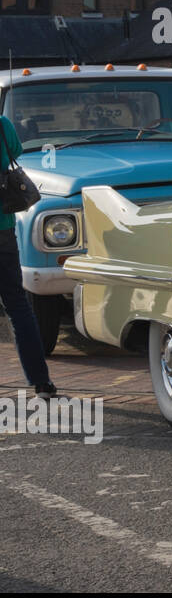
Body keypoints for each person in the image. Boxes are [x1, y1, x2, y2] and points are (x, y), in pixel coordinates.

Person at [0, 114, 56, 399]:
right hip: (3, 230)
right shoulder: (3, 123)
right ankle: (41, 382)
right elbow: (16, 152)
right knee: (19, 308)